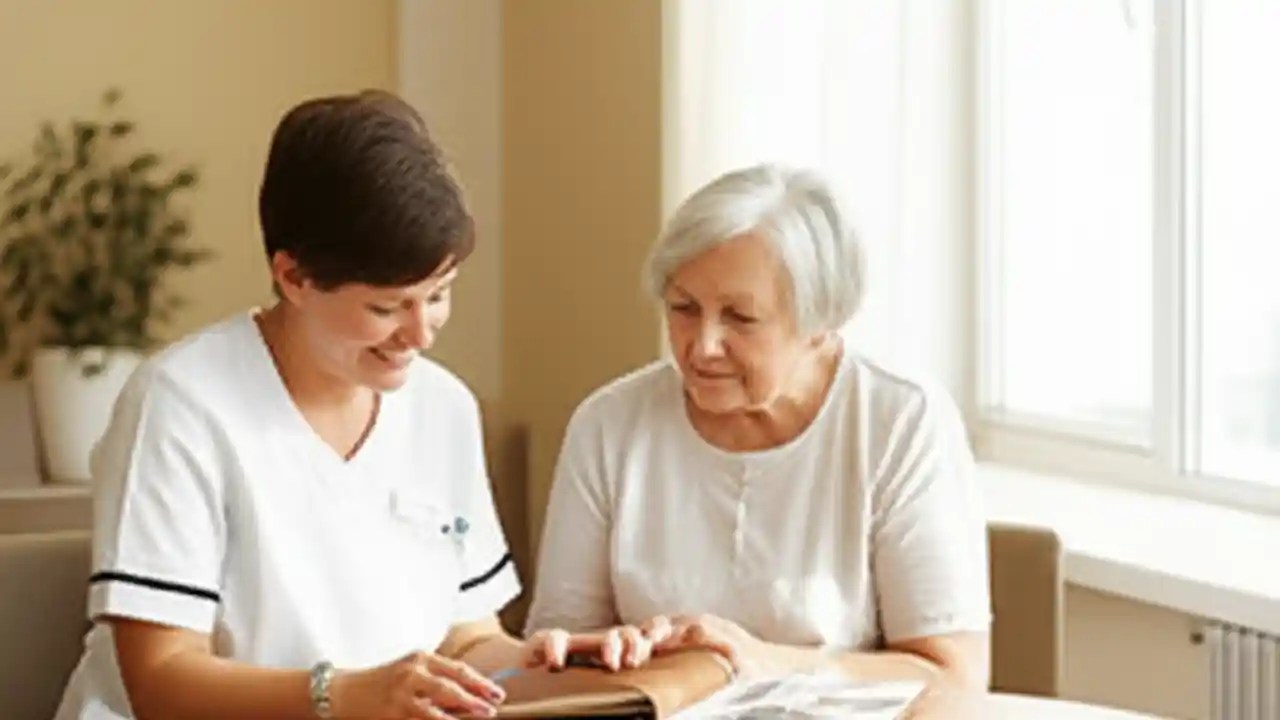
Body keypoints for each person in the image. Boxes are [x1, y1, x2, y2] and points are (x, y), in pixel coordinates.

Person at [56, 91, 617, 720]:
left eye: (439, 295)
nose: (421, 333)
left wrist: (552, 665)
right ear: (293, 277)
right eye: (385, 307)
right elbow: (160, 682)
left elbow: (468, 640)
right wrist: (344, 697)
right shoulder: (181, 403)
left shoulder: (443, 408)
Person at [525, 164, 992, 687]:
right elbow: (555, 654)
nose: (702, 346)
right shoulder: (609, 425)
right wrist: (595, 654)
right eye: (683, 308)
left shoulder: (900, 420)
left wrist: (764, 660)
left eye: (740, 318)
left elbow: (951, 674)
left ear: (821, 324)